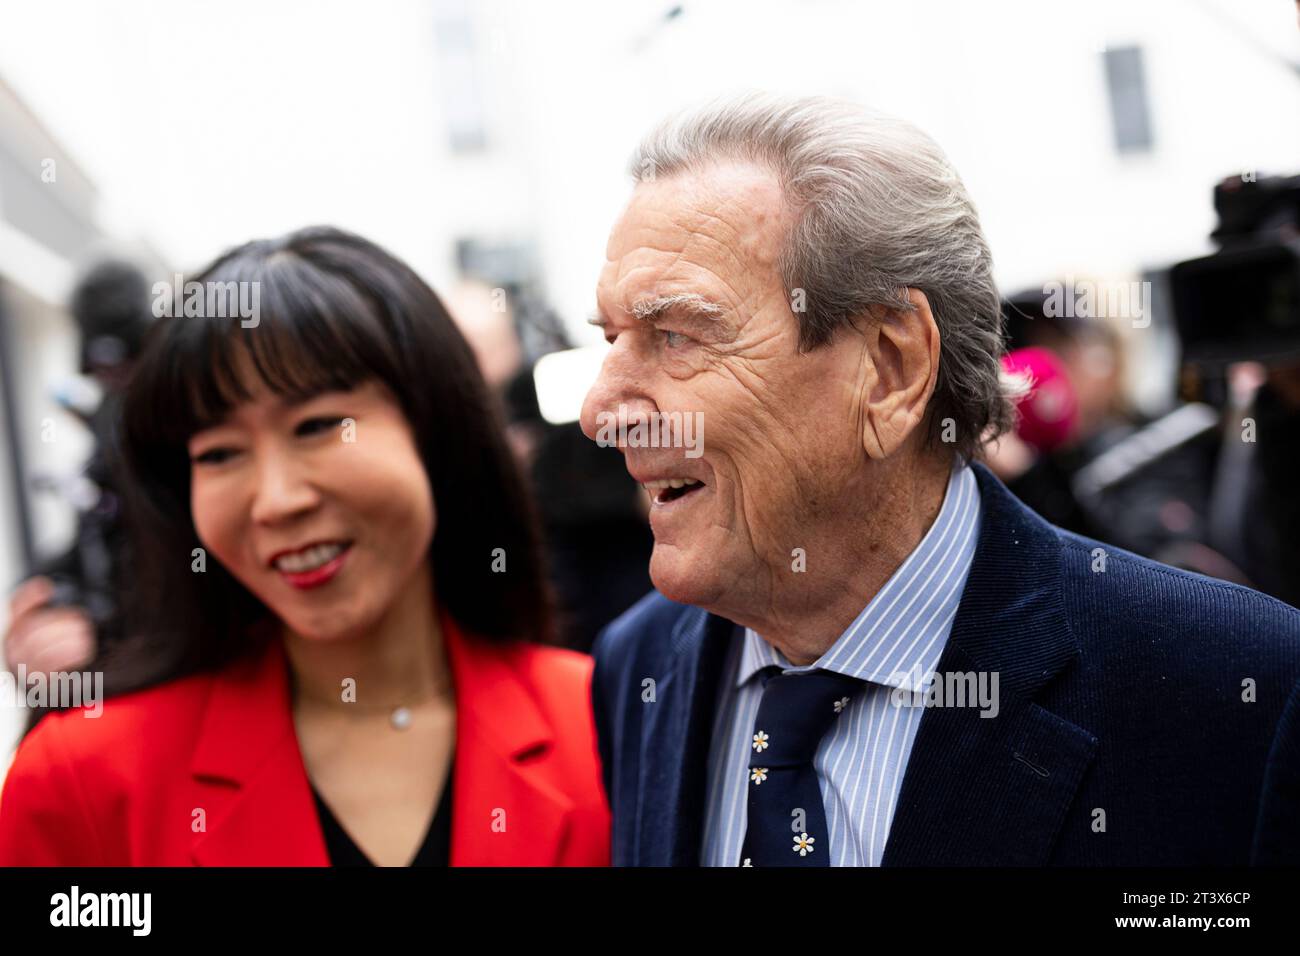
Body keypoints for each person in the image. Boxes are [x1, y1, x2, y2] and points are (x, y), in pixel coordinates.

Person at [580, 94, 1300, 866]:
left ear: (891, 368)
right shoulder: (639, 667)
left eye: (676, 336)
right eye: (613, 338)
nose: (600, 413)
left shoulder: (1231, 687)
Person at [0, 226, 610, 866]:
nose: (276, 500)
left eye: (317, 426)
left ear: (436, 433)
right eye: (219, 453)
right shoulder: (78, 782)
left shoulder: (613, 722)